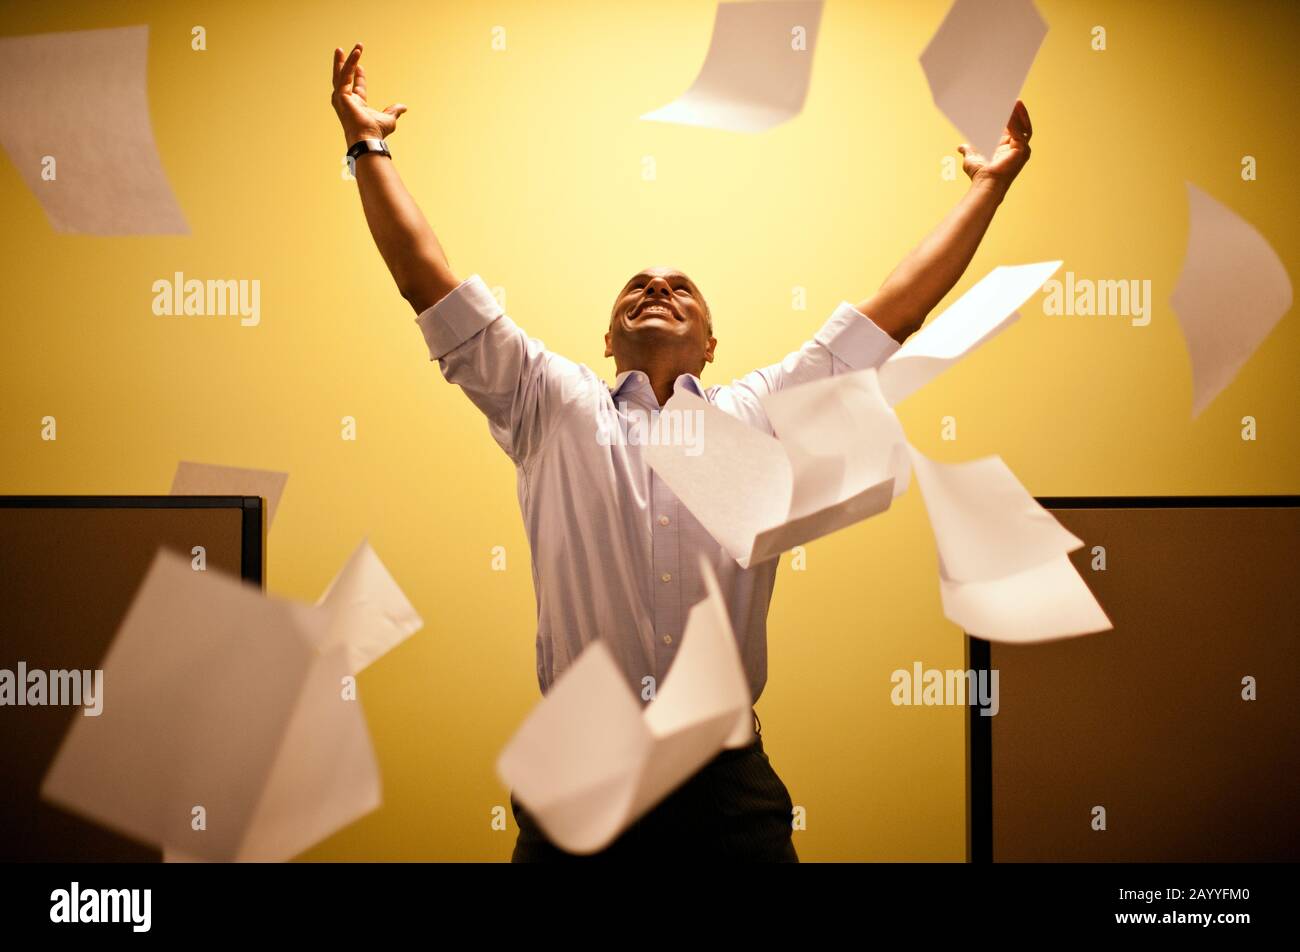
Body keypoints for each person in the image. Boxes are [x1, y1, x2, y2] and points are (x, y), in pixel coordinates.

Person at [330, 42, 1032, 862]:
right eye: (638, 285)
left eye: (680, 288)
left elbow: (896, 311)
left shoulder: (760, 414)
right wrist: (367, 145)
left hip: (726, 783)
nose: (657, 289)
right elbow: (427, 280)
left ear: (709, 348)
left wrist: (992, 183)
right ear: (607, 337)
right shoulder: (548, 402)